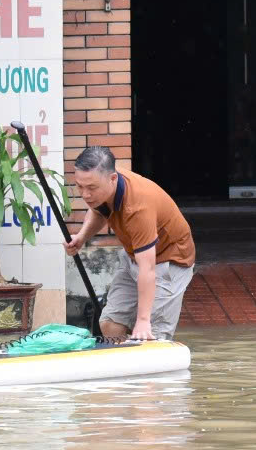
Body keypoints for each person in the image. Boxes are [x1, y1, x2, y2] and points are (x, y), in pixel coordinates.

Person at [64, 146, 195, 342]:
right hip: (134, 255)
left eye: (91, 188)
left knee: (152, 338)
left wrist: (143, 320)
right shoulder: (104, 183)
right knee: (110, 324)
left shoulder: (137, 208)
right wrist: (81, 237)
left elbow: (148, 268)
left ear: (113, 179)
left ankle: (147, 350)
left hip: (168, 261)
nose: (85, 195)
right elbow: (98, 210)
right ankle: (125, 356)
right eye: (80, 186)